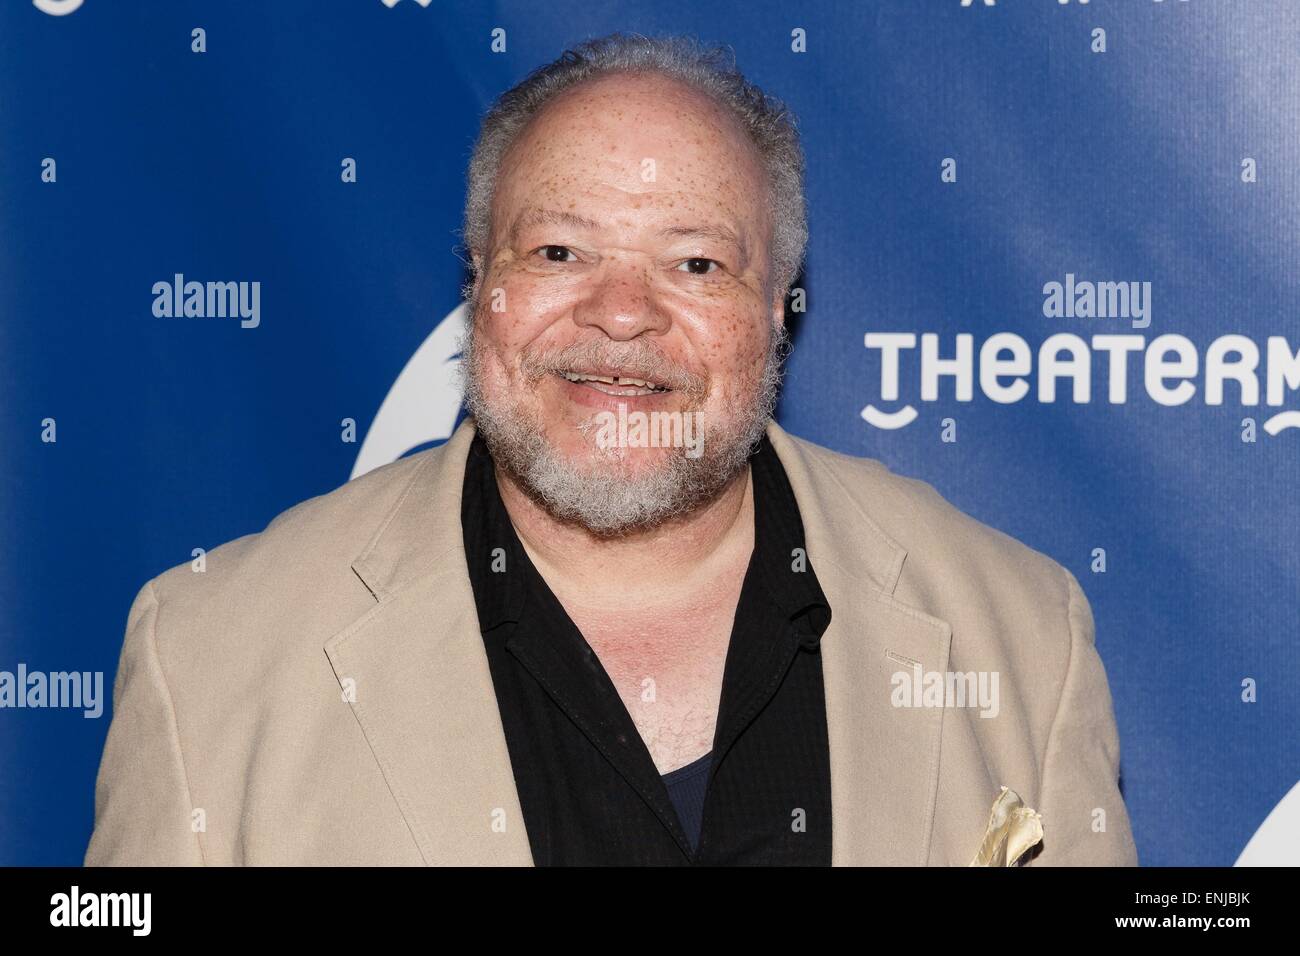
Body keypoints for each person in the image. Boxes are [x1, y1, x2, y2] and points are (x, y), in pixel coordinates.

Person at [85, 33, 1137, 866]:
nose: (622, 314)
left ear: (776, 309)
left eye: (693, 261)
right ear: (478, 284)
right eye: (558, 249)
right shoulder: (213, 657)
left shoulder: (1017, 635)